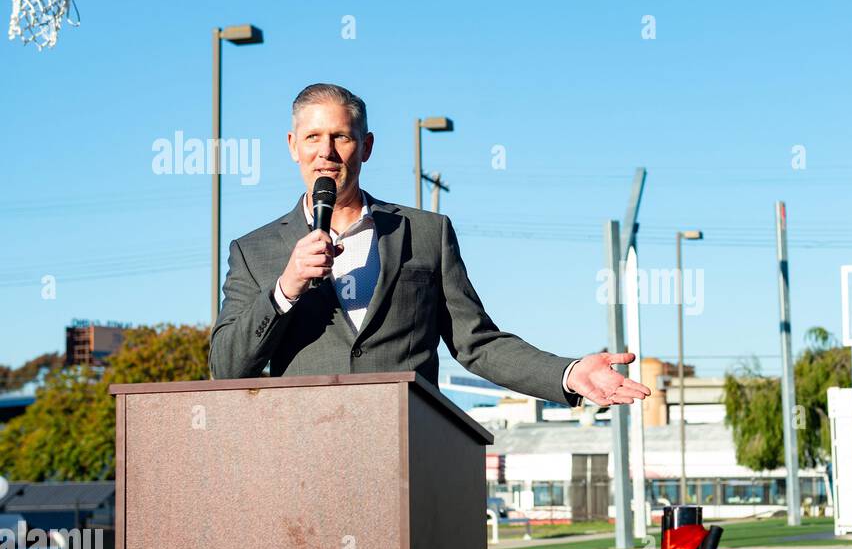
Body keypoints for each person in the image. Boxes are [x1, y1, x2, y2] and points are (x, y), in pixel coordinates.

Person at [209, 82, 651, 411]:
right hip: (304, 454)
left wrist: (569, 374)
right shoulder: (254, 251)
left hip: (408, 448)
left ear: (365, 147)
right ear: (292, 146)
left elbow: (477, 344)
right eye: (313, 137)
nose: (327, 151)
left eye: (341, 137)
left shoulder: (426, 233)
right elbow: (227, 368)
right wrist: (284, 290)